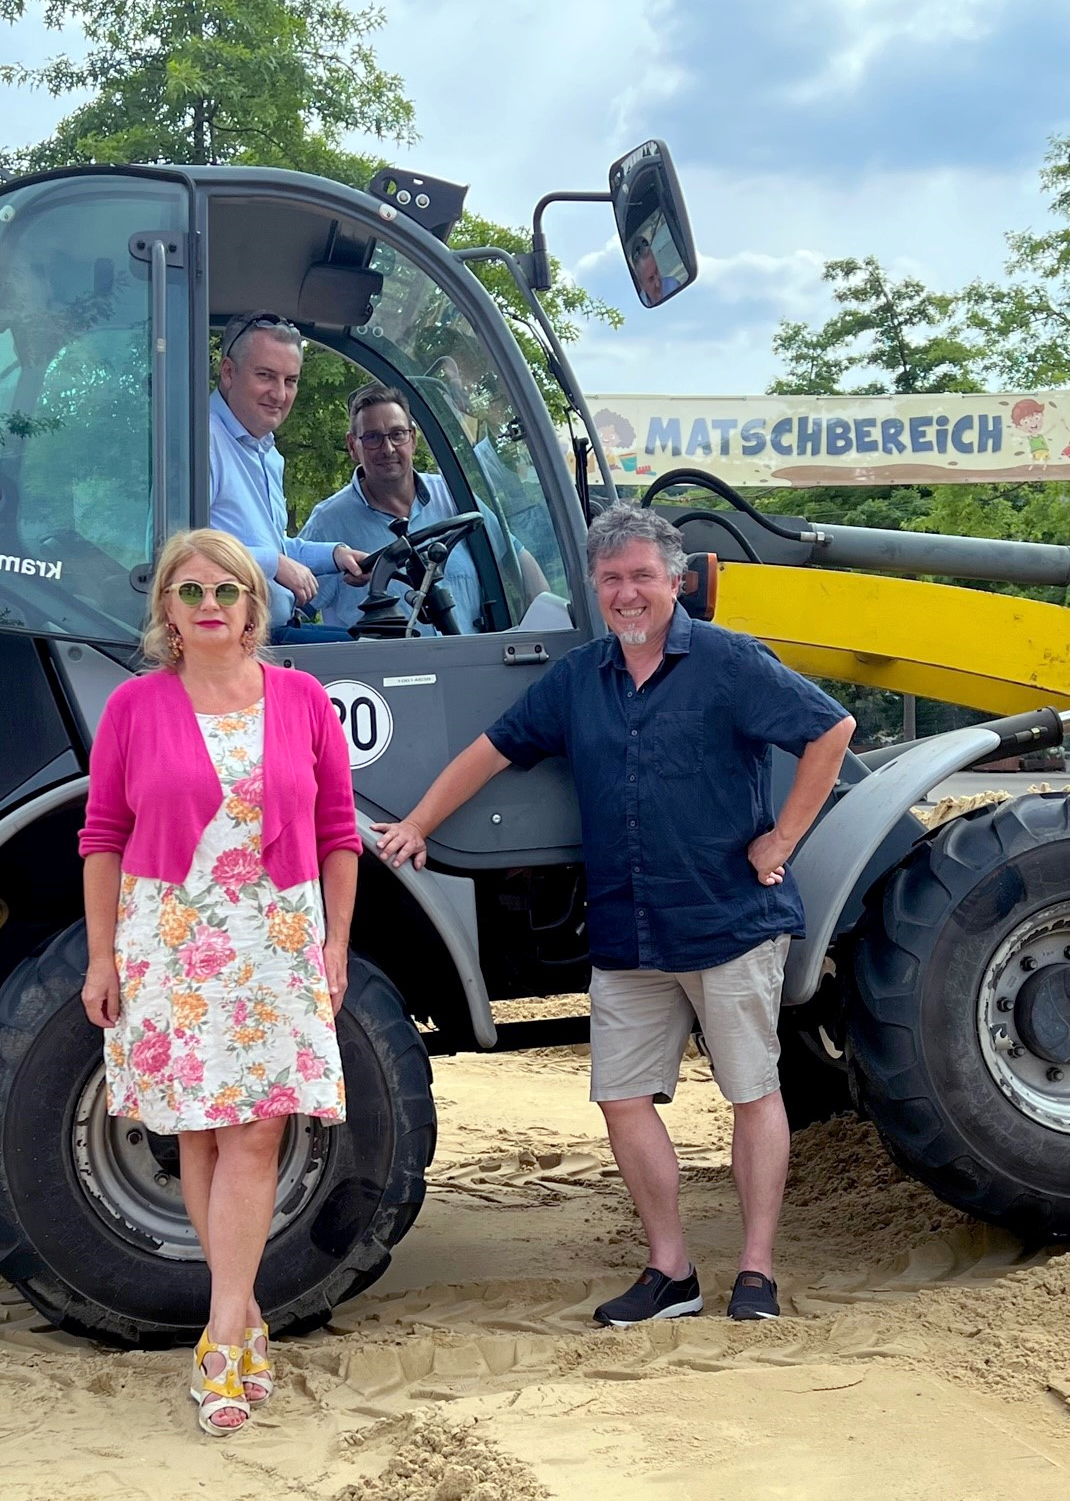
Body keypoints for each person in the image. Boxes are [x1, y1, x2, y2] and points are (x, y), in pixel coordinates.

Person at [373, 505, 855, 1325]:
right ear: (593, 590)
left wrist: (782, 838)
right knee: (623, 1097)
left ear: (675, 580)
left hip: (728, 919)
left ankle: (756, 1272)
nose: (627, 593)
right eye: (610, 580)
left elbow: (831, 729)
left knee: (750, 1090)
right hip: (629, 928)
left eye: (641, 576)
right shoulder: (578, 678)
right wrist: (417, 822)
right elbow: (493, 749)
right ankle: (671, 1271)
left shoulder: (730, 661)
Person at [78, 528, 361, 1435]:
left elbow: (339, 833)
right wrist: (101, 957)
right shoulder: (133, 706)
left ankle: (221, 1337)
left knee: (258, 1126)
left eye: (226, 590)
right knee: (198, 1132)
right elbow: (102, 837)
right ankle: (243, 1318)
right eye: (191, 590)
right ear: (167, 608)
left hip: (276, 940)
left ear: (252, 605)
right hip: (170, 940)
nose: (209, 605)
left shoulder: (303, 698)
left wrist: (336, 944)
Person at [299, 382, 549, 633]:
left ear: (413, 439)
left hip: (473, 656)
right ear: (353, 446)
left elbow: (518, 563)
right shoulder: (327, 524)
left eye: (397, 434)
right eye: (373, 437)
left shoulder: (455, 497)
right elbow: (289, 609)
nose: (388, 449)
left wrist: (548, 628)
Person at [209, 311, 370, 643]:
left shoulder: (266, 452)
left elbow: (276, 548)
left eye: (290, 381)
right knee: (377, 657)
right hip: (228, 643)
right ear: (228, 372)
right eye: (266, 376)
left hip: (272, 631)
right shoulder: (200, 440)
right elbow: (179, 549)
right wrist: (274, 564)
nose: (280, 395)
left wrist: (336, 555)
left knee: (381, 645)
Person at [629, 237, 680, 307]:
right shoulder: (639, 307)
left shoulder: (674, 286)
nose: (657, 284)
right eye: (651, 279)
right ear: (641, 283)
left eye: (656, 272)